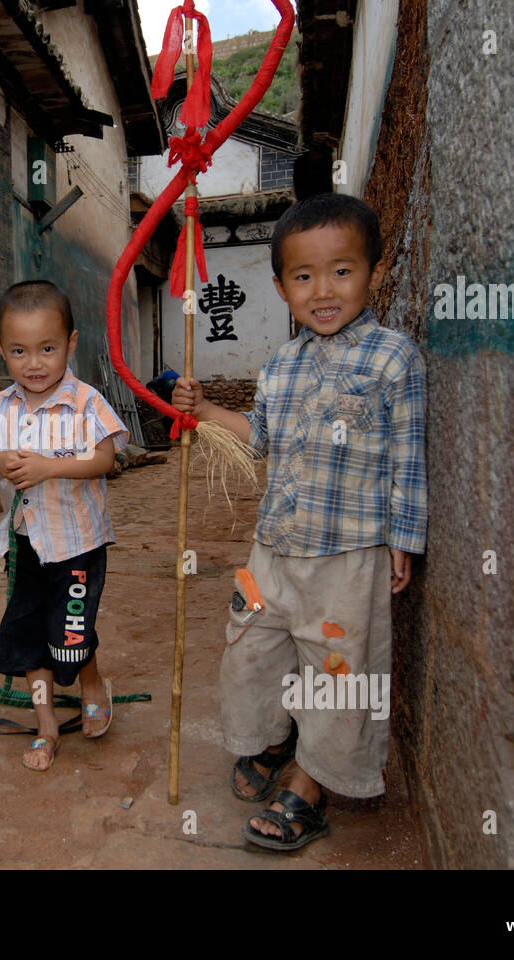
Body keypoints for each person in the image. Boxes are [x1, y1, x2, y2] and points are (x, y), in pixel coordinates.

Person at [171, 193, 426, 852]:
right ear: (281, 286)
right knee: (250, 649)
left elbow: (408, 451)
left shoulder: (393, 358)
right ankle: (271, 739)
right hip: (273, 551)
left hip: (347, 558)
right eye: (303, 276)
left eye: (341, 271)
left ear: (374, 271)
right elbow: (259, 437)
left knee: (338, 669)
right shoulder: (281, 366)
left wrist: (405, 535)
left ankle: (312, 785)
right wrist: (202, 414)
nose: (323, 290)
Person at [0, 281, 128, 772]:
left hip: (77, 545)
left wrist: (48, 467)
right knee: (32, 635)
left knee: (70, 635)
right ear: (1, 349)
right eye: (19, 351)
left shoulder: (85, 402)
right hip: (24, 546)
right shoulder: (2, 406)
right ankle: (47, 725)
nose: (34, 363)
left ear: (71, 344)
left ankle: (92, 684)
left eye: (47, 349)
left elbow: (106, 459)